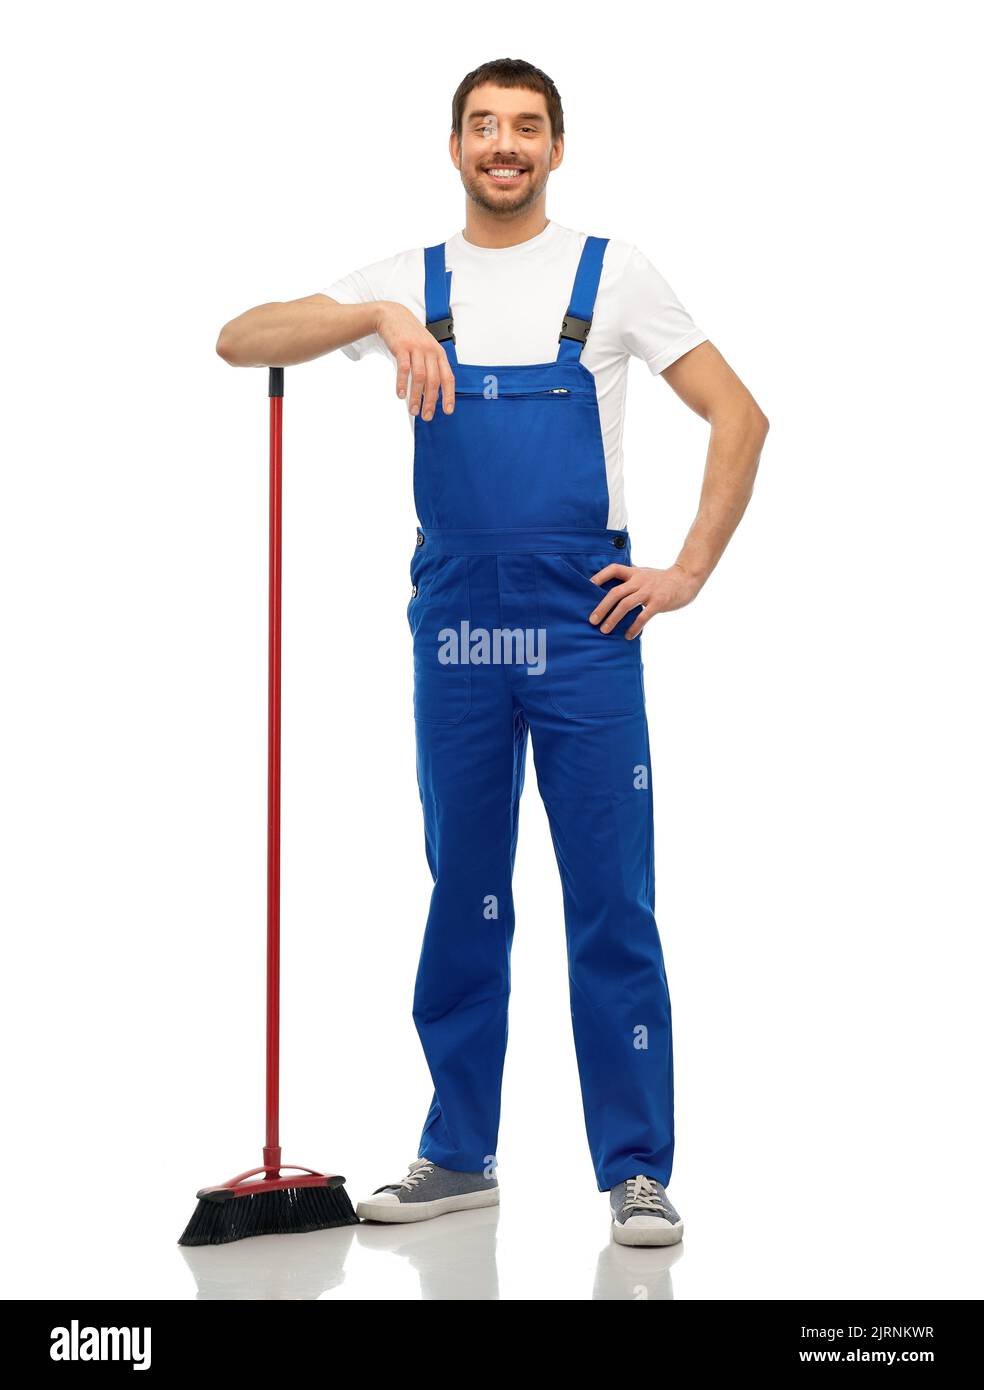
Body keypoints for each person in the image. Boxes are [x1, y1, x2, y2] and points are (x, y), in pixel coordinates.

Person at [216, 57, 769, 1248]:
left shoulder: (612, 273)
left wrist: (685, 573)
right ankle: (457, 1152)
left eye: (526, 127)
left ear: (556, 148)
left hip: (586, 628)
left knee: (610, 902)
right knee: (463, 892)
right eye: (483, 126)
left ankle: (635, 1169)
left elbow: (740, 413)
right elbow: (239, 337)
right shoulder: (408, 286)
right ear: (455, 145)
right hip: (461, 629)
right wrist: (373, 319)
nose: (503, 144)